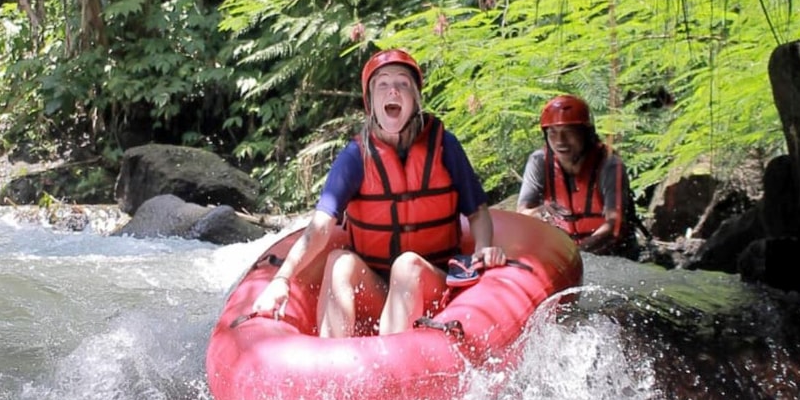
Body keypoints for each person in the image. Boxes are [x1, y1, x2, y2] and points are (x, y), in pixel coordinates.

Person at [251, 49, 507, 338]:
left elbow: (478, 212)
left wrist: (483, 247)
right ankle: (334, 360)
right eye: (383, 84)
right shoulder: (355, 157)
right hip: (375, 285)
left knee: (406, 265)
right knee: (339, 262)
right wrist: (283, 278)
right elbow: (320, 227)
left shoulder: (444, 146)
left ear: (415, 99)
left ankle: (391, 365)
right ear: (371, 101)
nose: (393, 90)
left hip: (430, 280)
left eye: (403, 83)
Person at [516, 94, 639, 258]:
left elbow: (614, 225)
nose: (560, 141)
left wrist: (578, 255)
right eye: (553, 133)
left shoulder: (609, 165)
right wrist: (540, 211)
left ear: (586, 134)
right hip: (565, 254)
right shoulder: (539, 162)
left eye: (569, 132)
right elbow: (522, 214)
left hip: (612, 255)